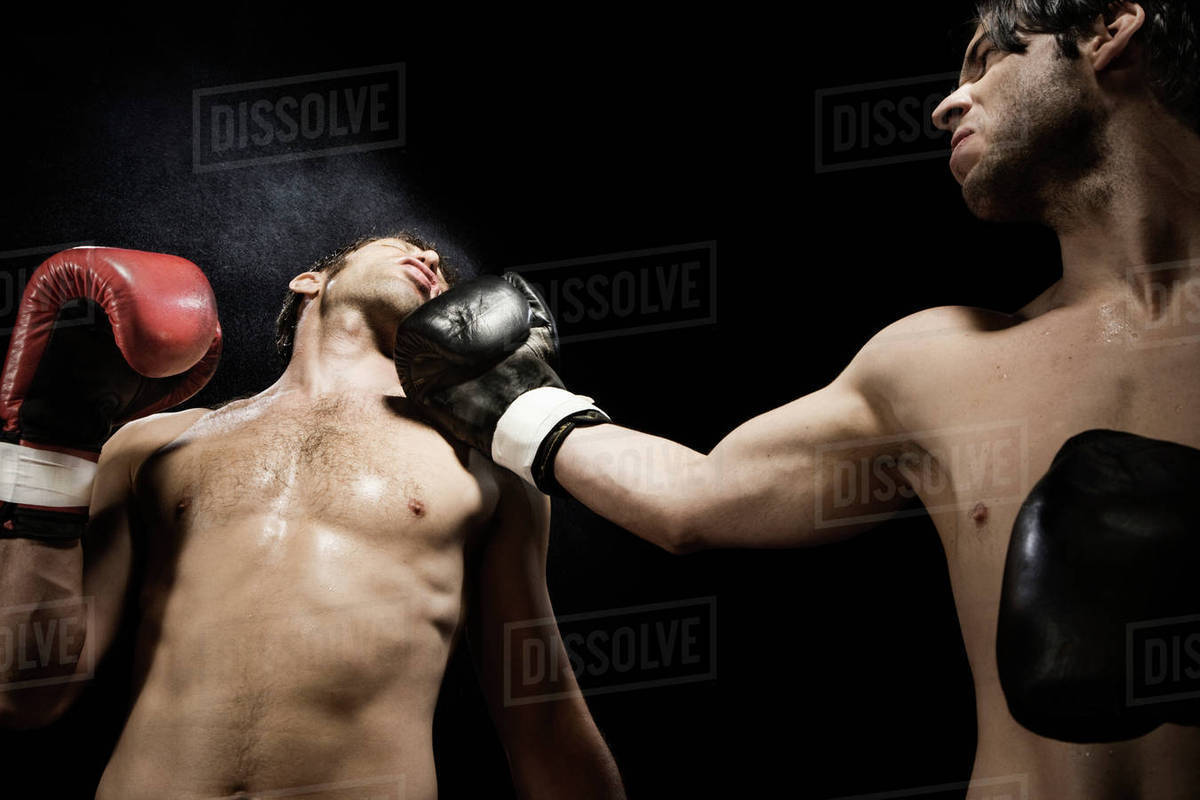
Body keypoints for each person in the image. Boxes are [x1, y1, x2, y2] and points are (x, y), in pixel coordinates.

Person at [393, 3, 1200, 797]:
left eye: (989, 62)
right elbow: (696, 499)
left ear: (1106, 31)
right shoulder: (941, 360)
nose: (946, 103)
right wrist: (508, 397)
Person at [0, 237, 626, 800]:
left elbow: (542, 720)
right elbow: (28, 692)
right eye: (408, 247)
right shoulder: (148, 445)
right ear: (310, 280)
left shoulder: (490, 463)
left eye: (442, 269)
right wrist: (53, 450)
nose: (433, 263)